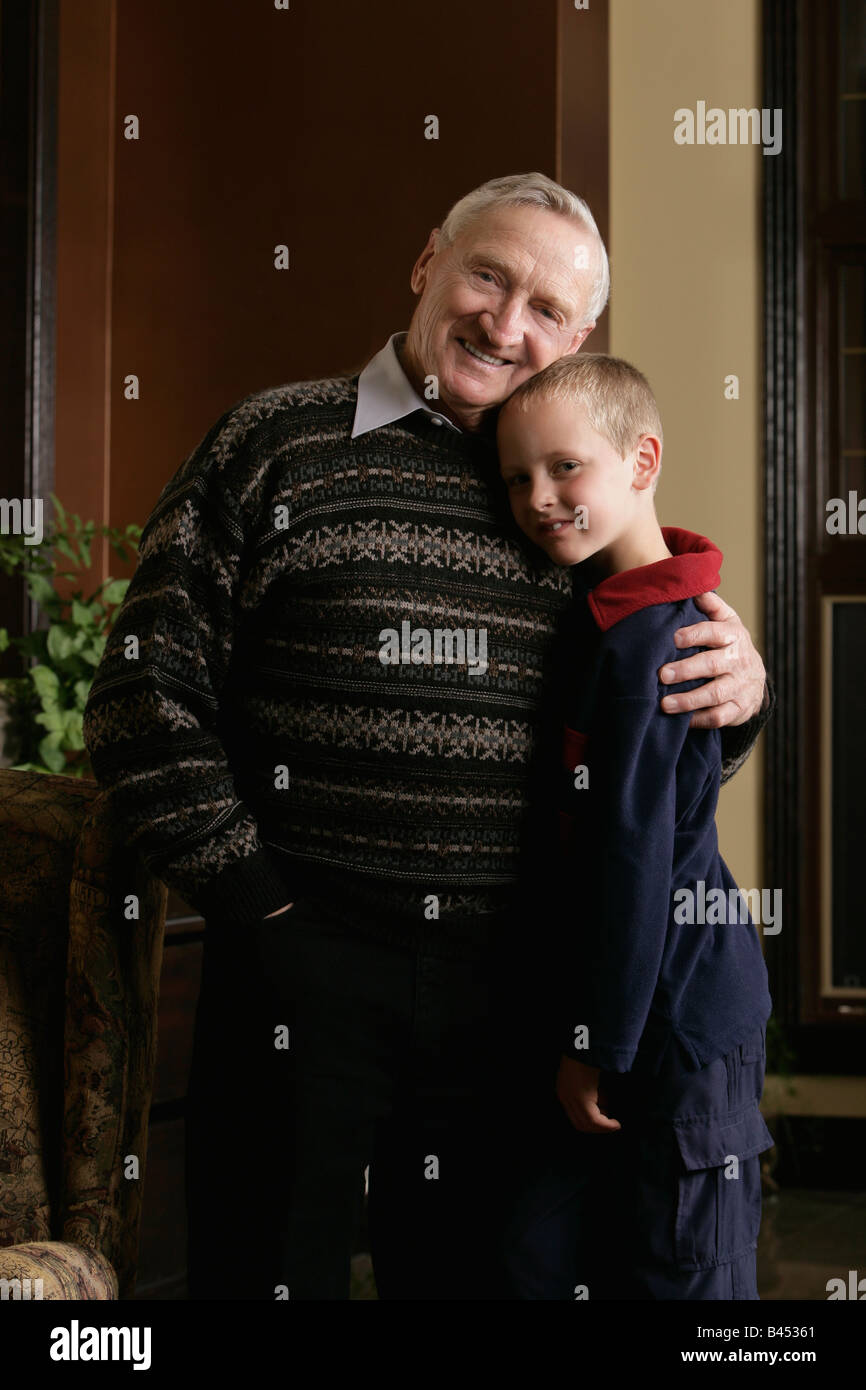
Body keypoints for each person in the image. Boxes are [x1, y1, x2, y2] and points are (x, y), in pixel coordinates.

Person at [81, 173, 772, 1301]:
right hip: (295, 960)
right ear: (425, 265)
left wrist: (736, 695)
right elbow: (138, 696)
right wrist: (262, 906)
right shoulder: (276, 443)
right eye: (487, 276)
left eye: (547, 309)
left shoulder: (565, 480)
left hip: (510, 989)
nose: (506, 323)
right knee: (265, 1272)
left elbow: (650, 729)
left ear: (579, 335)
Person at [493, 352, 775, 1300]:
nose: (538, 497)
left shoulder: (661, 640)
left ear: (642, 461)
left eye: (565, 467)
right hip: (626, 1005)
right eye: (517, 477)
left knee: (689, 1276)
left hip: (680, 1017)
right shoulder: (602, 621)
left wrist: (593, 1046)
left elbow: (632, 860)